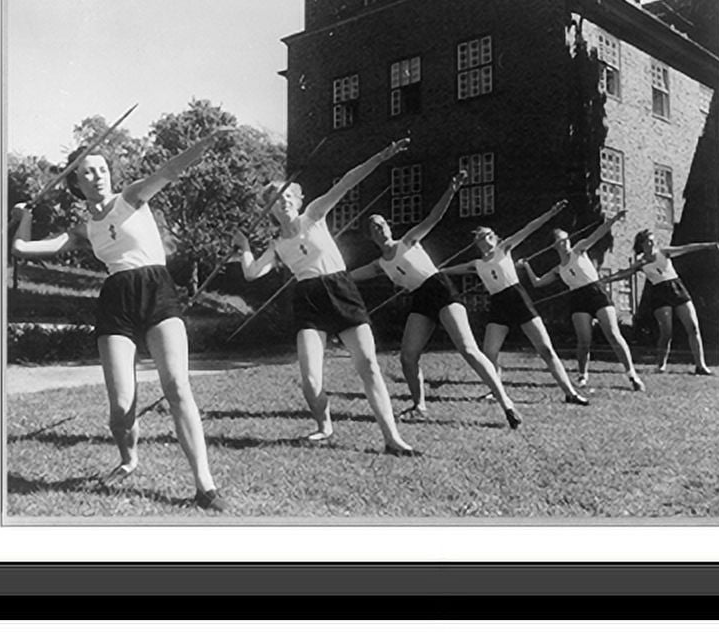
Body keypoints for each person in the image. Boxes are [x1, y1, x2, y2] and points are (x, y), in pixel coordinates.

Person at [10, 125, 236, 512]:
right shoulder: (84, 228)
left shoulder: (131, 198)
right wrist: (23, 215)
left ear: (109, 173)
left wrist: (205, 142)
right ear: (76, 184)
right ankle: (129, 458)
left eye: (100, 169)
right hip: (117, 300)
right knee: (121, 407)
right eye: (86, 173)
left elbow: (168, 171)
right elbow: (21, 248)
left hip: (157, 289)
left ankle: (205, 485)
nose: (95, 176)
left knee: (178, 387)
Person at [230, 138, 417, 455]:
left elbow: (346, 183)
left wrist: (381, 157)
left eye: (289, 196)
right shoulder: (278, 246)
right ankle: (324, 426)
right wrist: (245, 247)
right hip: (308, 300)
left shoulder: (313, 215)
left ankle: (392, 438)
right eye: (277, 199)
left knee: (369, 365)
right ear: (271, 208)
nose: (284, 201)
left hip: (340, 289)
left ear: (298, 202)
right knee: (310, 378)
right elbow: (251, 273)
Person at [348, 172, 523, 428]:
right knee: (408, 356)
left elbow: (434, 217)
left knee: (468, 349)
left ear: (389, 227)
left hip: (439, 288)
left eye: (382, 223)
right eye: (374, 227)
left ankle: (506, 403)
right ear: (369, 236)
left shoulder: (408, 240)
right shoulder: (379, 265)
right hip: (420, 299)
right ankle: (419, 406)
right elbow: (347, 277)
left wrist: (451, 190)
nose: (380, 228)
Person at [442, 200, 590, 406]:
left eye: (487, 234)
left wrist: (549, 214)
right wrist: (434, 273)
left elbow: (528, 229)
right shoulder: (476, 264)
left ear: (494, 237)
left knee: (546, 350)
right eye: (480, 237)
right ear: (477, 243)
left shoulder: (505, 248)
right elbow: (450, 270)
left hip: (518, 299)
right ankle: (496, 390)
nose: (484, 238)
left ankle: (570, 393)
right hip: (498, 305)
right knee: (489, 353)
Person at [520, 210, 646, 393]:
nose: (565, 242)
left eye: (566, 239)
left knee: (612, 334)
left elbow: (596, 234)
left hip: (596, 292)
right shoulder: (558, 268)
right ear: (554, 245)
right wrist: (526, 266)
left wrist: (612, 220)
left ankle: (632, 375)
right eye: (561, 240)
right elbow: (537, 283)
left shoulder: (578, 250)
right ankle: (582, 376)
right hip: (578, 298)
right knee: (584, 340)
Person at [631, 229, 719, 374]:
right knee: (666, 332)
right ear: (641, 244)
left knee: (693, 327)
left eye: (653, 240)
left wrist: (709, 246)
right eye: (648, 241)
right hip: (659, 293)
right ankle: (661, 365)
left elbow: (687, 248)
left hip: (677, 288)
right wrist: (604, 280)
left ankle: (701, 366)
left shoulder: (664, 252)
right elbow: (625, 274)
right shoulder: (640, 262)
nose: (652, 243)